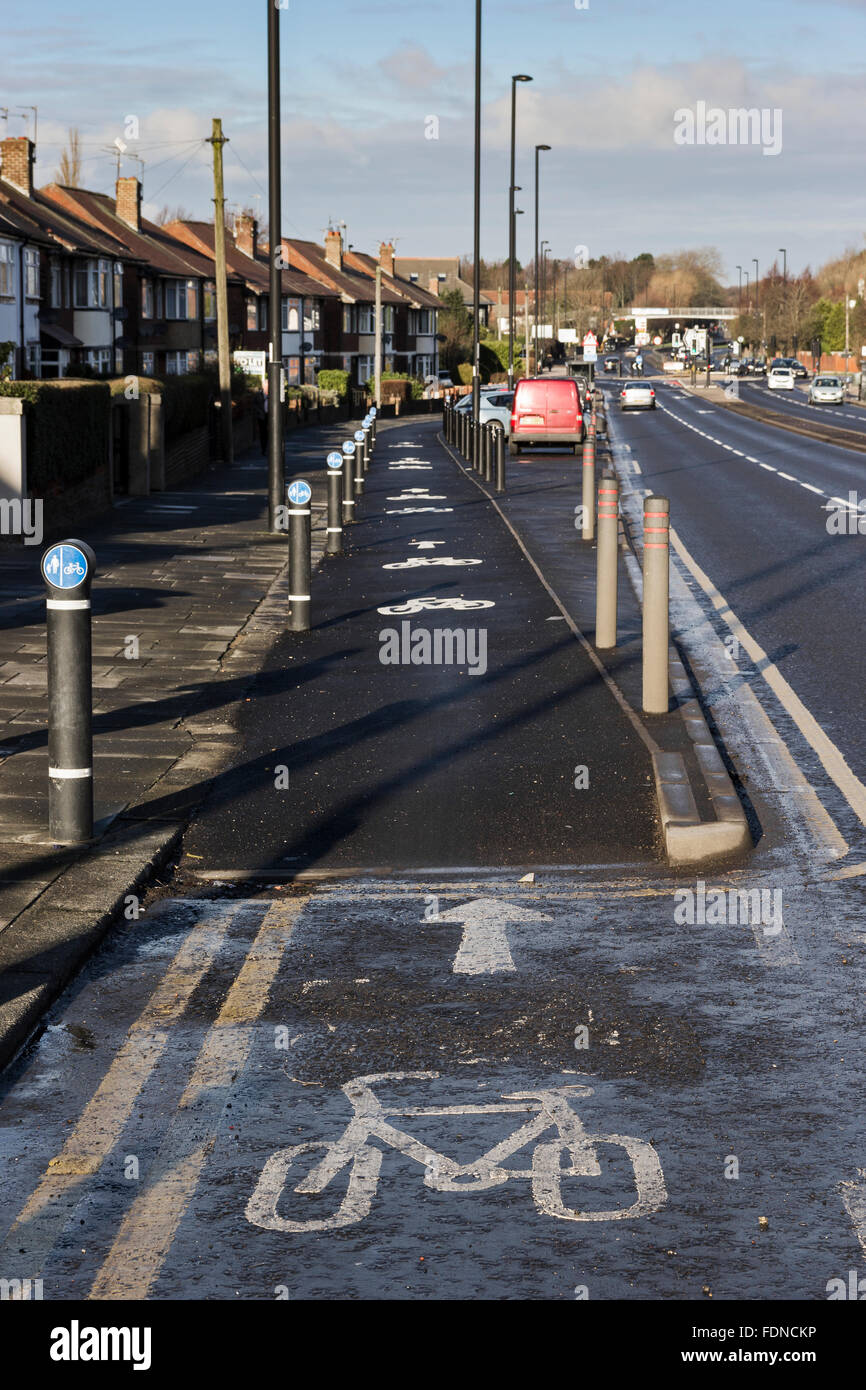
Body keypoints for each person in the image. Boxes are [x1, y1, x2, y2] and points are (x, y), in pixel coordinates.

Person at [256, 380, 268, 455]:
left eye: (267, 385)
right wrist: (258, 411)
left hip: (269, 415)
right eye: (265, 385)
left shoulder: (273, 393)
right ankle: (263, 449)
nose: (266, 387)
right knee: (263, 433)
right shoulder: (258, 394)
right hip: (262, 416)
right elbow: (255, 404)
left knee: (269, 433)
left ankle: (268, 448)